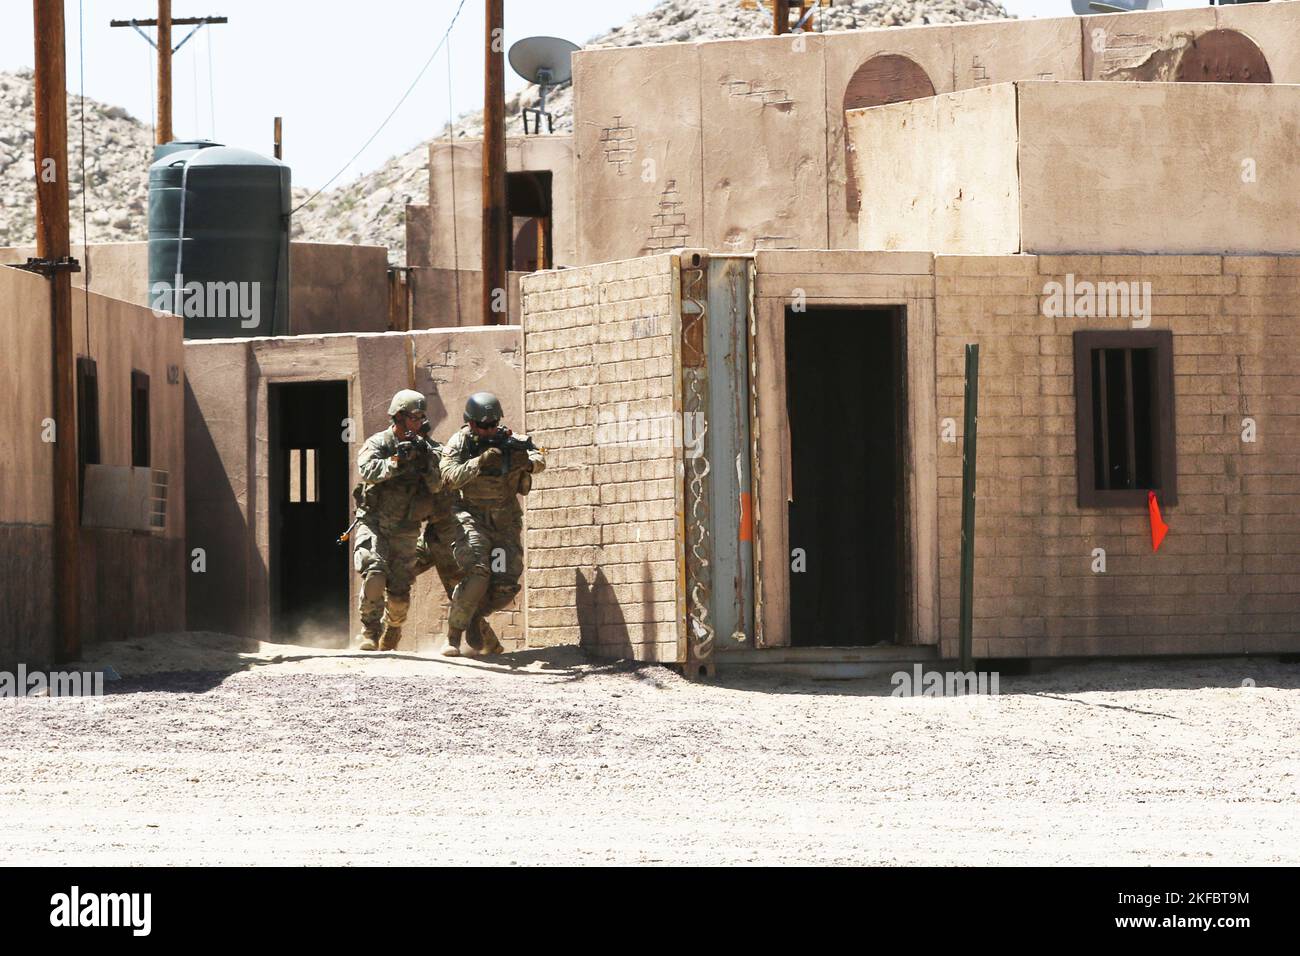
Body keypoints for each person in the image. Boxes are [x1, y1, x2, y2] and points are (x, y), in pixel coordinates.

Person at [438, 391, 545, 657]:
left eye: (493, 424)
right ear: (471, 423)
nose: (489, 430)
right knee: (477, 573)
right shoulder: (459, 443)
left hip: (505, 523)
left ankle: (475, 618)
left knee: (506, 585)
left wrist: (528, 463)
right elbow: (449, 476)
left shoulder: (512, 440)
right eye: (483, 426)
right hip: (471, 518)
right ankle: (453, 637)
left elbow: (541, 457)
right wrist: (480, 462)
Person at [352, 389, 440, 652]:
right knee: (375, 573)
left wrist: (427, 463)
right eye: (414, 417)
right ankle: (369, 630)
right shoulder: (380, 443)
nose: (419, 422)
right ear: (399, 417)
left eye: (422, 417)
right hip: (375, 520)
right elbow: (367, 469)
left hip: (406, 526)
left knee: (400, 593)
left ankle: (393, 628)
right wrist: (395, 462)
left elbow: (438, 485)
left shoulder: (427, 447)